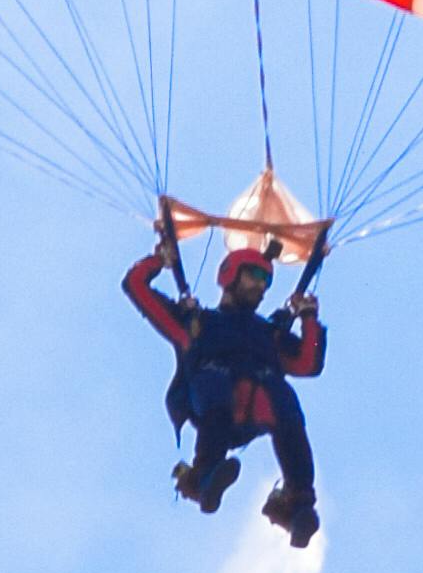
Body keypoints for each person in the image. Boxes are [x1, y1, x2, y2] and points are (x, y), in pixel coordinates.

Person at [122, 230, 324, 542]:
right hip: (210, 401)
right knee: (214, 379)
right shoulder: (195, 323)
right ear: (230, 276)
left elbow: (308, 364)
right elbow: (135, 286)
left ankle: (298, 502)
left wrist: (308, 318)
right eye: (254, 275)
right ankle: (205, 474)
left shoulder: (269, 334)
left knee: (283, 398)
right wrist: (159, 261)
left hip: (257, 404)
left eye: (266, 281)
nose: (261, 286)